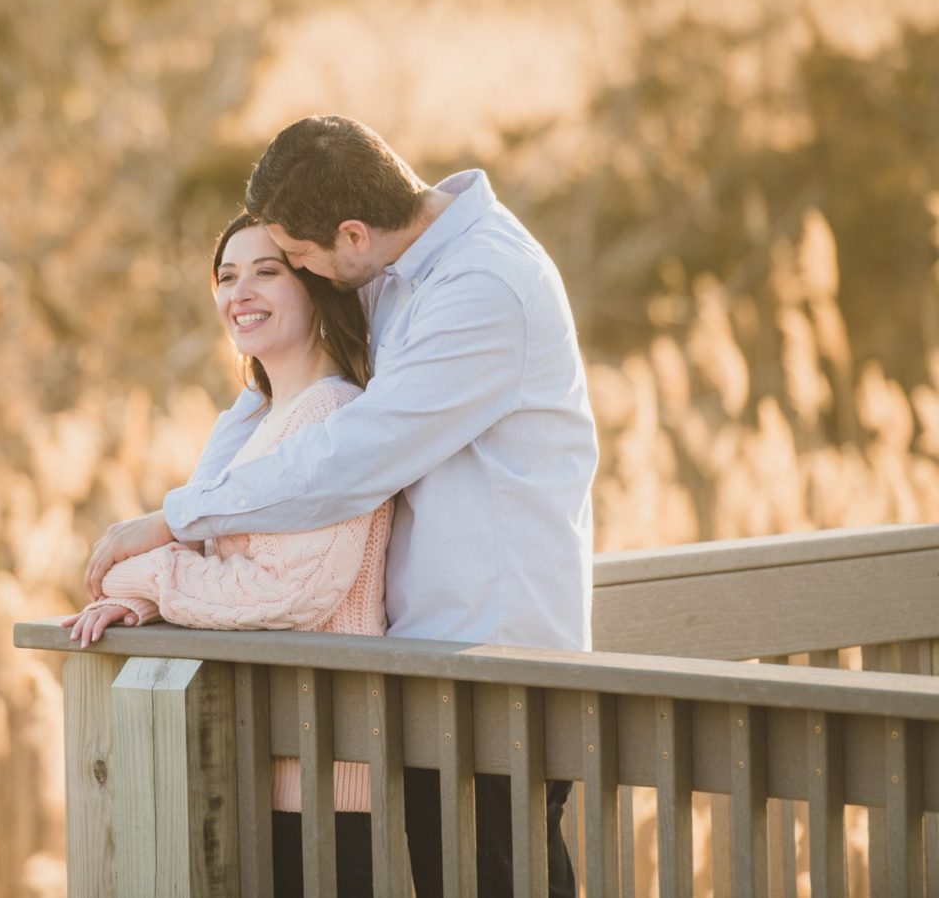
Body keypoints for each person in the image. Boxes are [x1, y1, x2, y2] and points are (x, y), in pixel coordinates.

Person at [83, 115, 596, 898]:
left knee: (504, 878)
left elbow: (352, 458)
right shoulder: (398, 272)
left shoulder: (484, 287)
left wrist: (175, 520)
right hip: (431, 664)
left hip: (497, 663)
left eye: (294, 260)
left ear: (351, 236)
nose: (296, 274)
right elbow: (280, 403)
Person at [64, 211, 393, 896]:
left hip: (329, 773)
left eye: (266, 272)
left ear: (314, 285)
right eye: (226, 276)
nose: (238, 292)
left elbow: (290, 592)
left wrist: (147, 574)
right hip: (270, 761)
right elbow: (222, 563)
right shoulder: (267, 421)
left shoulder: (331, 417)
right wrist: (139, 599)